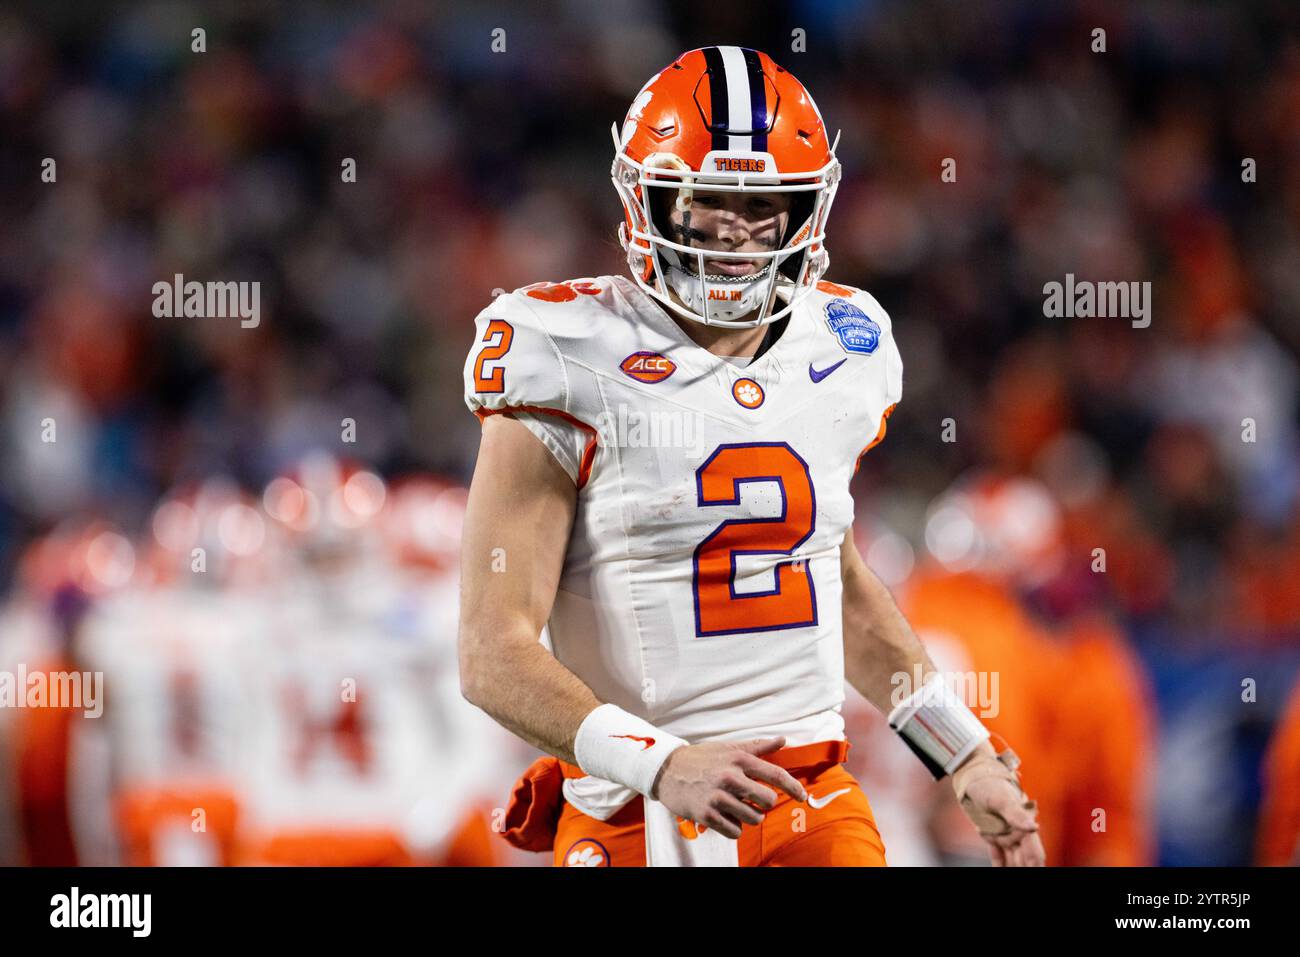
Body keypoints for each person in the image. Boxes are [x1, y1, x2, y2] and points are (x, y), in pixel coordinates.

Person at [458, 46, 1045, 867]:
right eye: (707, 200)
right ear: (648, 200)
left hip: (808, 795)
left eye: (761, 203)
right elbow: (492, 653)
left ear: (807, 209)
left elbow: (836, 585)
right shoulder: (563, 351)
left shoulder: (842, 344)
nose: (735, 229)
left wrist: (966, 752)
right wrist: (661, 762)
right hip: (634, 808)